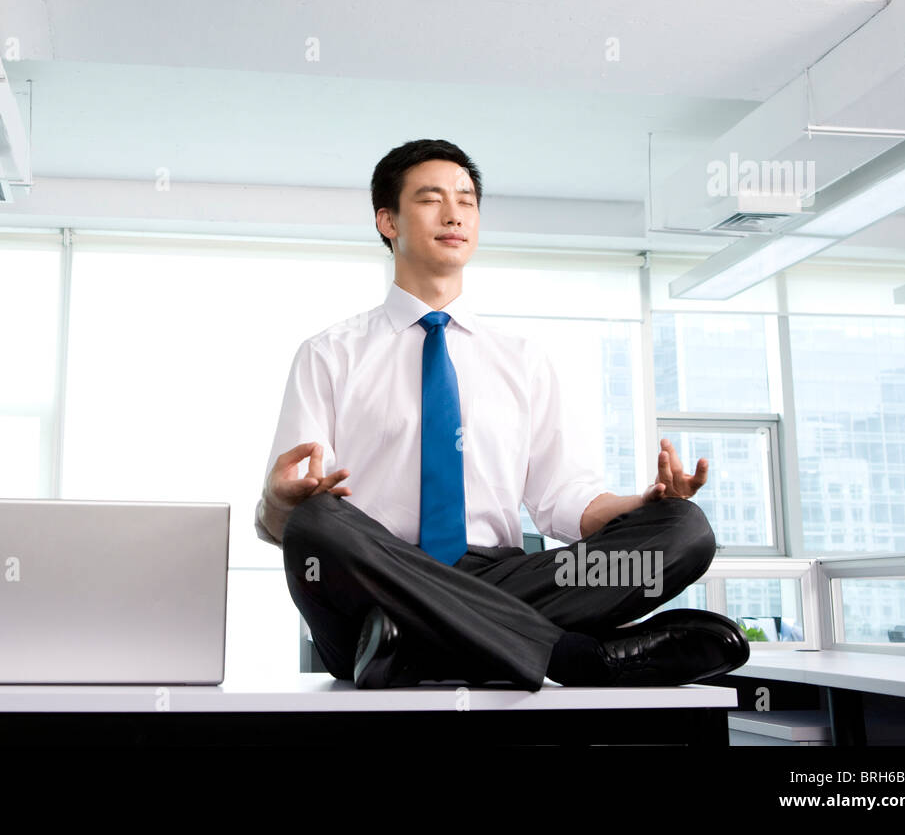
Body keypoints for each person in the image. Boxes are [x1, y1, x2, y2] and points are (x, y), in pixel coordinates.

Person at [253, 138, 750, 691]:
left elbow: (563, 501)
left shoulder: (522, 359)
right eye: (430, 199)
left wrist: (642, 505)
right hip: (372, 577)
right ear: (387, 221)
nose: (454, 214)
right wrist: (276, 503)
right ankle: (571, 656)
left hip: (485, 579)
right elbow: (288, 518)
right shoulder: (329, 353)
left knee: (685, 532)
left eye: (467, 201)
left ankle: (421, 649)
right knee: (318, 523)